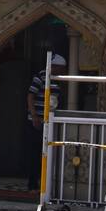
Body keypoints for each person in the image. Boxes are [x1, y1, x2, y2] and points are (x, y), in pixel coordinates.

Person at [26, 53, 67, 193]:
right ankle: (32, 184)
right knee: (35, 152)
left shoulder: (56, 79)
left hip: (49, 121)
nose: (63, 72)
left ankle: (45, 185)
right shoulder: (40, 77)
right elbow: (30, 96)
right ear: (55, 66)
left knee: (47, 152)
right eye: (61, 68)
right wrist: (34, 116)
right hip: (37, 121)